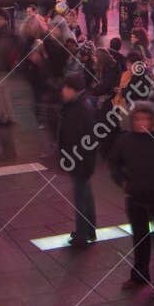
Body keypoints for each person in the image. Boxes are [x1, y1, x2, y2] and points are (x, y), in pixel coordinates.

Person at [106, 101, 154, 293]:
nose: (142, 122)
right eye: (138, 118)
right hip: (135, 197)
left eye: (146, 119)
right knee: (140, 239)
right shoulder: (124, 140)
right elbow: (114, 163)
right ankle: (139, 277)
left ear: (152, 121)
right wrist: (122, 182)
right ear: (132, 121)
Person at [56, 74, 100, 247]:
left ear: (74, 90)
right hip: (80, 159)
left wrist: (72, 158)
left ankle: (82, 235)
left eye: (66, 88)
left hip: (79, 160)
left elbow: (82, 138)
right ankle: (88, 230)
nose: (63, 91)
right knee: (85, 194)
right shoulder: (77, 105)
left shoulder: (80, 109)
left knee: (81, 197)